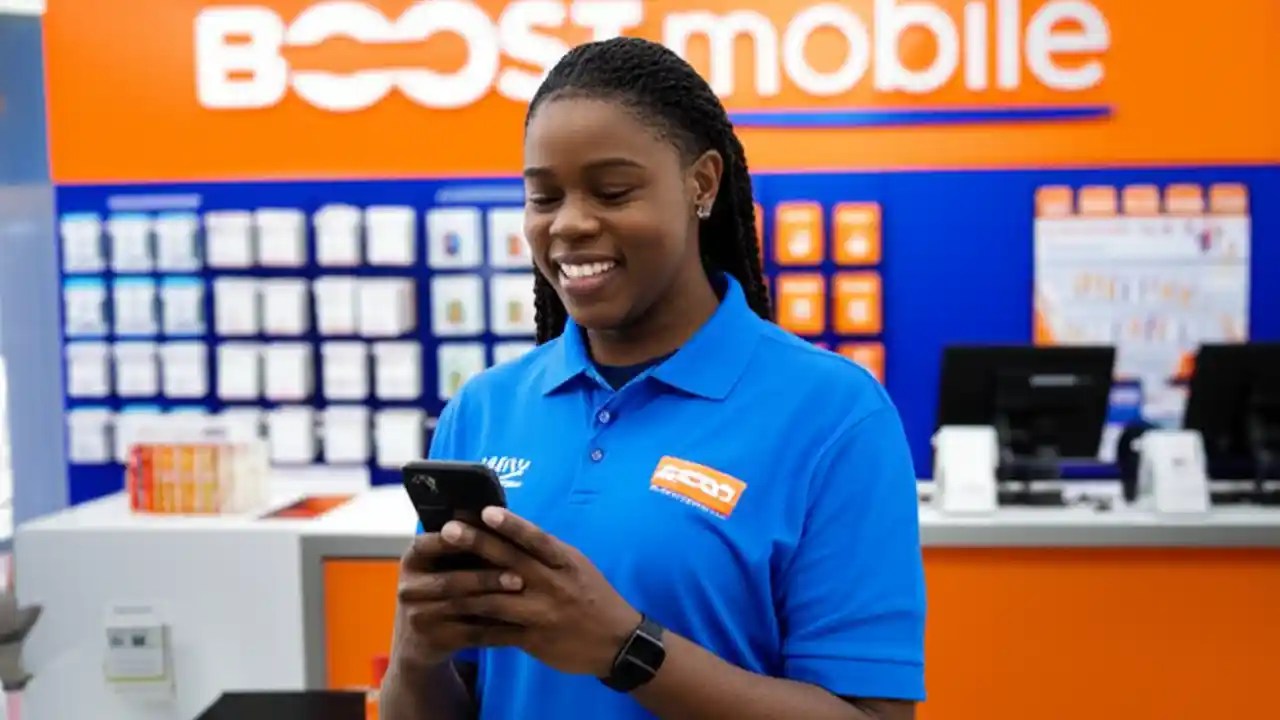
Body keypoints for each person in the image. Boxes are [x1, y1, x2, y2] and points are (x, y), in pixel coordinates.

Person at [382, 36, 925, 720]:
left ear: (701, 183)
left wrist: (623, 647)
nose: (570, 224)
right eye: (543, 197)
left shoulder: (834, 415)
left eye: (613, 191)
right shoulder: (484, 409)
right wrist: (415, 651)